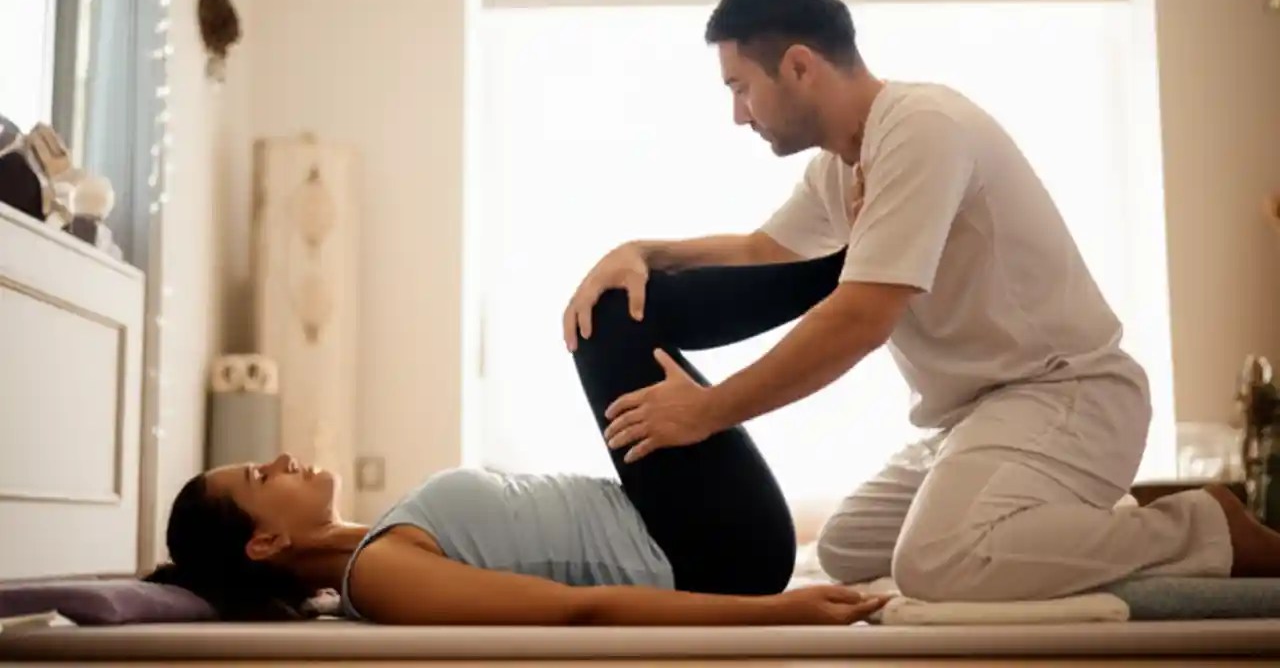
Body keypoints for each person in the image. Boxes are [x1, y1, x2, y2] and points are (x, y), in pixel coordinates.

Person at [563, 0, 1280, 604]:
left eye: (741, 87)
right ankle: (1059, 522)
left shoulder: (922, 130)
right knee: (845, 549)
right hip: (969, 417)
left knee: (938, 561)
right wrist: (640, 249)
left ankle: (1201, 527)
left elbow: (860, 320)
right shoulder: (841, 164)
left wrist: (709, 410)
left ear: (801, 67)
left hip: (1067, 394)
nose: (737, 113)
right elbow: (761, 249)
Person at [142, 257, 891, 624]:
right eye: (259, 478)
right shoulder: (377, 576)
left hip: (681, 522)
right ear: (264, 544)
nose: (278, 459)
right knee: (608, 318)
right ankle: (859, 268)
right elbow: (575, 610)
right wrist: (777, 612)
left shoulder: (385, 537)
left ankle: (855, 267)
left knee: (616, 303)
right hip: (704, 551)